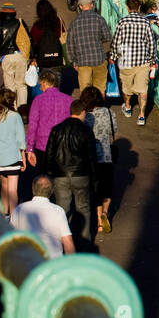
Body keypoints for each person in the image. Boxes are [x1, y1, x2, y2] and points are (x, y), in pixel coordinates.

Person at [45, 97, 96, 245]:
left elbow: (49, 154)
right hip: (81, 174)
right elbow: (91, 156)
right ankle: (84, 242)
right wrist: (94, 177)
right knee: (84, 208)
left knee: (62, 209)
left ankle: (62, 243)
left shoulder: (57, 129)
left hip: (60, 174)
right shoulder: (86, 130)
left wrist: (48, 172)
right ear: (82, 112)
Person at [112, 0, 156, 126]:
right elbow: (151, 43)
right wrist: (153, 59)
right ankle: (141, 116)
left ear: (127, 8)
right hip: (142, 61)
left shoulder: (122, 22)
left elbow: (116, 42)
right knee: (143, 90)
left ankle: (127, 106)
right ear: (139, 7)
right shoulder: (146, 22)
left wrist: (113, 57)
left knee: (126, 87)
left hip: (126, 61)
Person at [0, 87, 26, 216]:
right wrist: (23, 158)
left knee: (4, 187)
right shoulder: (15, 116)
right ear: (8, 100)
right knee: (13, 190)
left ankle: (4, 214)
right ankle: (13, 218)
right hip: (12, 157)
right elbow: (20, 140)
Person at [77, 85, 115, 234]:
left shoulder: (85, 115)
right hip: (107, 156)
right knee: (107, 189)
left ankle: (99, 220)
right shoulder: (109, 112)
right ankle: (105, 213)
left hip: (91, 157)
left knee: (96, 189)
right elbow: (114, 129)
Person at [0, 2, 31, 107]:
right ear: (14, 13)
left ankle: (13, 109)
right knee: (21, 85)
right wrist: (34, 56)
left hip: (6, 58)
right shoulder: (20, 22)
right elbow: (29, 39)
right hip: (21, 56)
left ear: (1, 14)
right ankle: (23, 111)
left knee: (9, 87)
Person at [10, 175, 75, 257]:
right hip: (52, 261)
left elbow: (10, 236)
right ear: (51, 191)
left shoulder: (20, 209)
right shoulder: (58, 211)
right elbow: (68, 242)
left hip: (26, 261)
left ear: (33, 189)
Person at [25, 68, 71, 168]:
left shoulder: (38, 100)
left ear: (45, 83)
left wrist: (30, 149)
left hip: (43, 145)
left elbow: (33, 126)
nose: (40, 88)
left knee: (44, 179)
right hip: (63, 144)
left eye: (41, 84)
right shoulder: (68, 99)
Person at [65, 0, 112, 94]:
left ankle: (88, 108)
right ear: (91, 5)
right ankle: (99, 108)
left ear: (80, 7)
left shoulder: (75, 22)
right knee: (100, 89)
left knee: (85, 91)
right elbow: (107, 37)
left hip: (82, 61)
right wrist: (98, 40)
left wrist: (73, 61)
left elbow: (69, 44)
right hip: (99, 58)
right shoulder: (100, 19)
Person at [29, 0, 65, 87]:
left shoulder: (37, 26)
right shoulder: (58, 22)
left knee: (45, 85)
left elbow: (33, 42)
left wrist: (33, 58)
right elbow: (63, 36)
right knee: (56, 85)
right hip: (57, 59)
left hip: (43, 61)